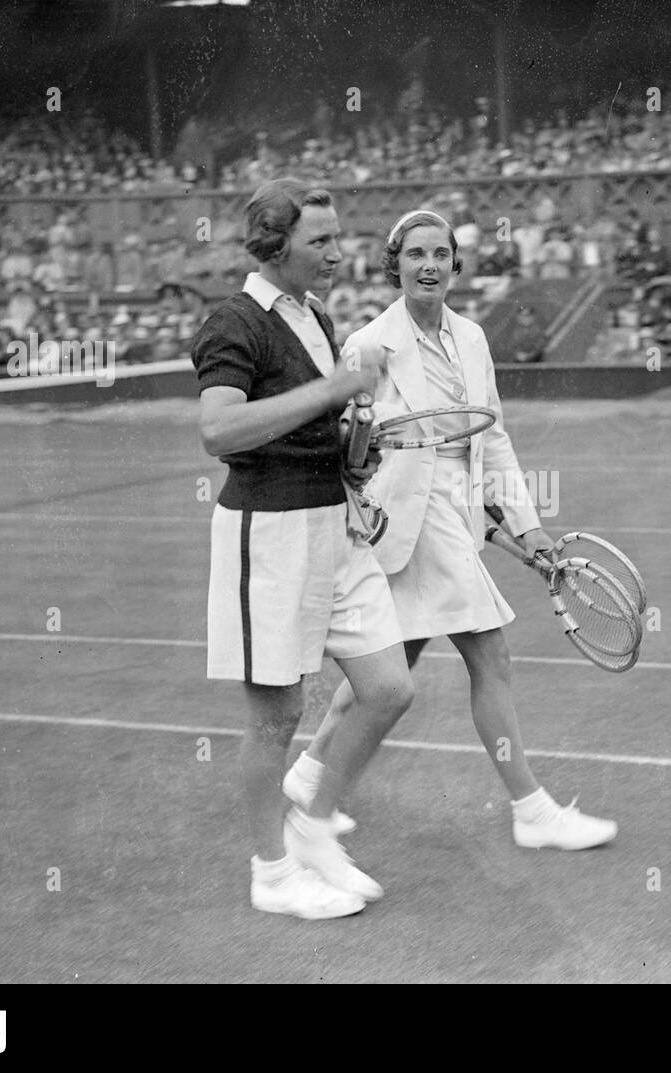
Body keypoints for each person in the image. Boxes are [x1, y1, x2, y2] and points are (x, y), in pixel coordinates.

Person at [288, 209, 617, 852]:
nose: (429, 265)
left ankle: (307, 775)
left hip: (453, 512)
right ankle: (531, 808)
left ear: (455, 266)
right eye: (415, 255)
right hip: (398, 520)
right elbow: (353, 446)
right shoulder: (366, 345)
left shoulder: (472, 339)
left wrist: (525, 525)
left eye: (440, 254)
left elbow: (489, 439)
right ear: (396, 265)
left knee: (394, 659)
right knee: (488, 654)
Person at [192, 178, 415, 920]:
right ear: (275, 243)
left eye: (336, 236)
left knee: (389, 687)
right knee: (275, 716)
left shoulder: (317, 314)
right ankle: (273, 870)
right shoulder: (236, 321)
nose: (336, 252)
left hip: (335, 524)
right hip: (271, 533)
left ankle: (314, 826)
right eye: (321, 239)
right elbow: (220, 431)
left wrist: (357, 447)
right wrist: (334, 392)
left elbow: (327, 419)